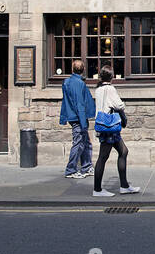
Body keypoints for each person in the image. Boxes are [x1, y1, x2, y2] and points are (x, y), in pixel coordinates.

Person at [92, 66, 139, 198]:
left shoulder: (99, 89)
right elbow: (119, 106)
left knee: (123, 151)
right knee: (103, 157)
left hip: (103, 125)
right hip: (109, 127)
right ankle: (97, 189)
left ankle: (124, 186)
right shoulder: (110, 89)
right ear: (111, 77)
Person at [59, 59, 96, 179]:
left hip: (73, 116)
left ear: (72, 69)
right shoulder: (78, 84)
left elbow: (67, 102)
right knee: (78, 144)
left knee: (85, 143)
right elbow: (79, 103)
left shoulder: (67, 82)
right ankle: (71, 170)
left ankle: (86, 167)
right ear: (83, 69)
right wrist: (83, 121)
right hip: (78, 118)